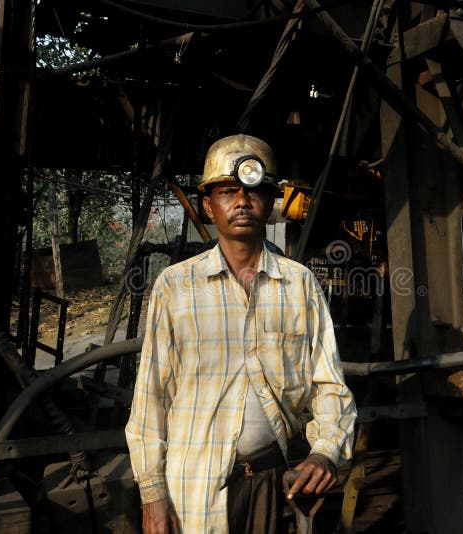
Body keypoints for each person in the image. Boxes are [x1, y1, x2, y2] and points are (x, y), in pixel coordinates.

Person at [125, 134, 357, 533]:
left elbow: (329, 385)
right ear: (208, 205)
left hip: (272, 481)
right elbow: (151, 400)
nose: (242, 202)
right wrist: (152, 494)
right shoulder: (175, 286)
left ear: (271, 203)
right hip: (193, 484)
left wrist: (325, 451)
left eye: (254, 192)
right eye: (228, 191)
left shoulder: (299, 285)